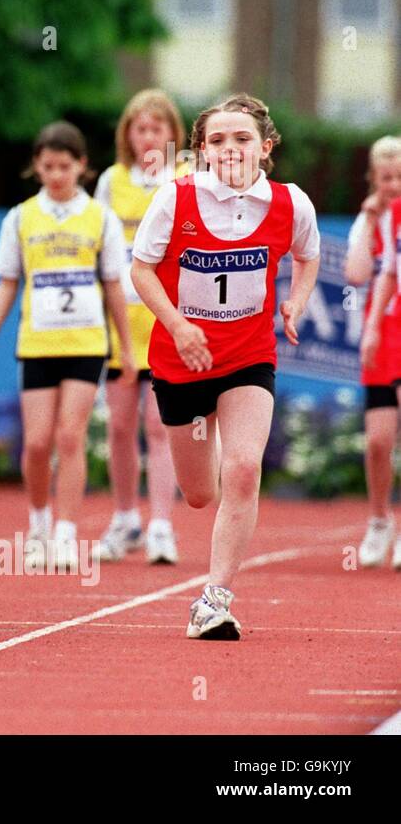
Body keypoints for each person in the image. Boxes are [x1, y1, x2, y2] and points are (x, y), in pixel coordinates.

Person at [131, 93, 320, 640]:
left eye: (242, 138)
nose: (230, 148)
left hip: (248, 356)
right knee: (199, 493)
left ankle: (214, 601)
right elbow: (141, 270)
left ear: (265, 147)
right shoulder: (175, 198)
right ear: (201, 151)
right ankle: (208, 438)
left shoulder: (291, 204)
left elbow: (308, 256)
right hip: (182, 359)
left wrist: (296, 301)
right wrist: (178, 325)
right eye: (217, 140)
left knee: (242, 469)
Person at [0, 121, 134, 574]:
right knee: (36, 442)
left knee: (70, 436)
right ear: (37, 167)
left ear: (82, 166)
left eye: (65, 166)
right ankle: (39, 525)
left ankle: (66, 533)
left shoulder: (100, 218)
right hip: (38, 343)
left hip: (86, 342)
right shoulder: (21, 217)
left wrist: (125, 347)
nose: (57, 175)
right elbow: (9, 281)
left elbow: (113, 285)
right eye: (48, 167)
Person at [92, 90, 188, 565]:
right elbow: (97, 248)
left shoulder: (187, 177)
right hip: (121, 323)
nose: (148, 137)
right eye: (140, 128)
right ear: (127, 134)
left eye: (157, 128)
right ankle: (126, 518)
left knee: (160, 424)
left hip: (168, 320)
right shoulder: (111, 182)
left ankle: (162, 526)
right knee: (120, 425)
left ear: (173, 133)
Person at [356, 136, 401, 570]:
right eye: (386, 177)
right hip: (385, 335)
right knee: (377, 441)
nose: (394, 186)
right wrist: (371, 327)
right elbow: (368, 273)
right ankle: (379, 519)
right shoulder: (385, 219)